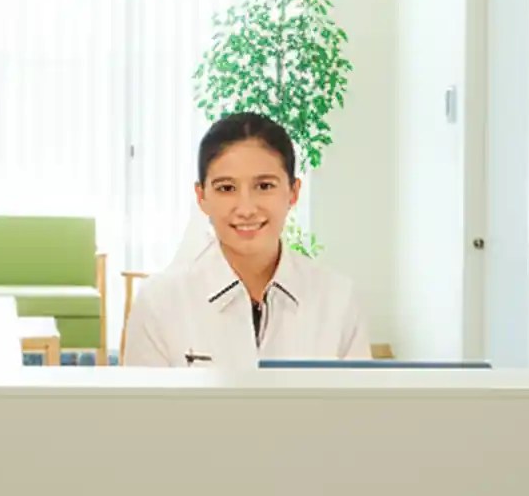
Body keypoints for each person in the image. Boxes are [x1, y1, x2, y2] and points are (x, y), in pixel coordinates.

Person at [124, 112, 370, 368]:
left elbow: (361, 407)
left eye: (264, 186)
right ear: (201, 197)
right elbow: (143, 407)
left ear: (293, 192)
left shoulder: (338, 299)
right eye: (226, 188)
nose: (246, 209)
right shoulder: (160, 302)